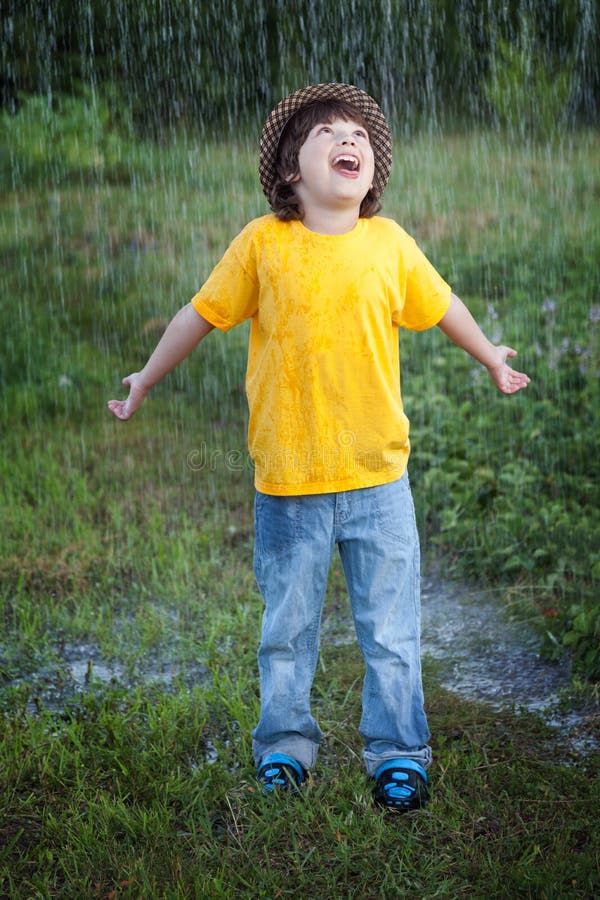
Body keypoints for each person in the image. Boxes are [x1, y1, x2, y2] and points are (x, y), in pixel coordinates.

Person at [108, 83, 530, 812]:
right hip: (289, 486)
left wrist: (489, 353)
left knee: (392, 632)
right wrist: (145, 378)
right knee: (287, 631)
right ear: (291, 172)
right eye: (330, 133)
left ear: (370, 170)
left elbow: (444, 303)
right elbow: (200, 315)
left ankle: (398, 752)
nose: (352, 141)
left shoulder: (390, 244)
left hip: (378, 482)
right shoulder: (264, 243)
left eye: (362, 137)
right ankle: (284, 747)